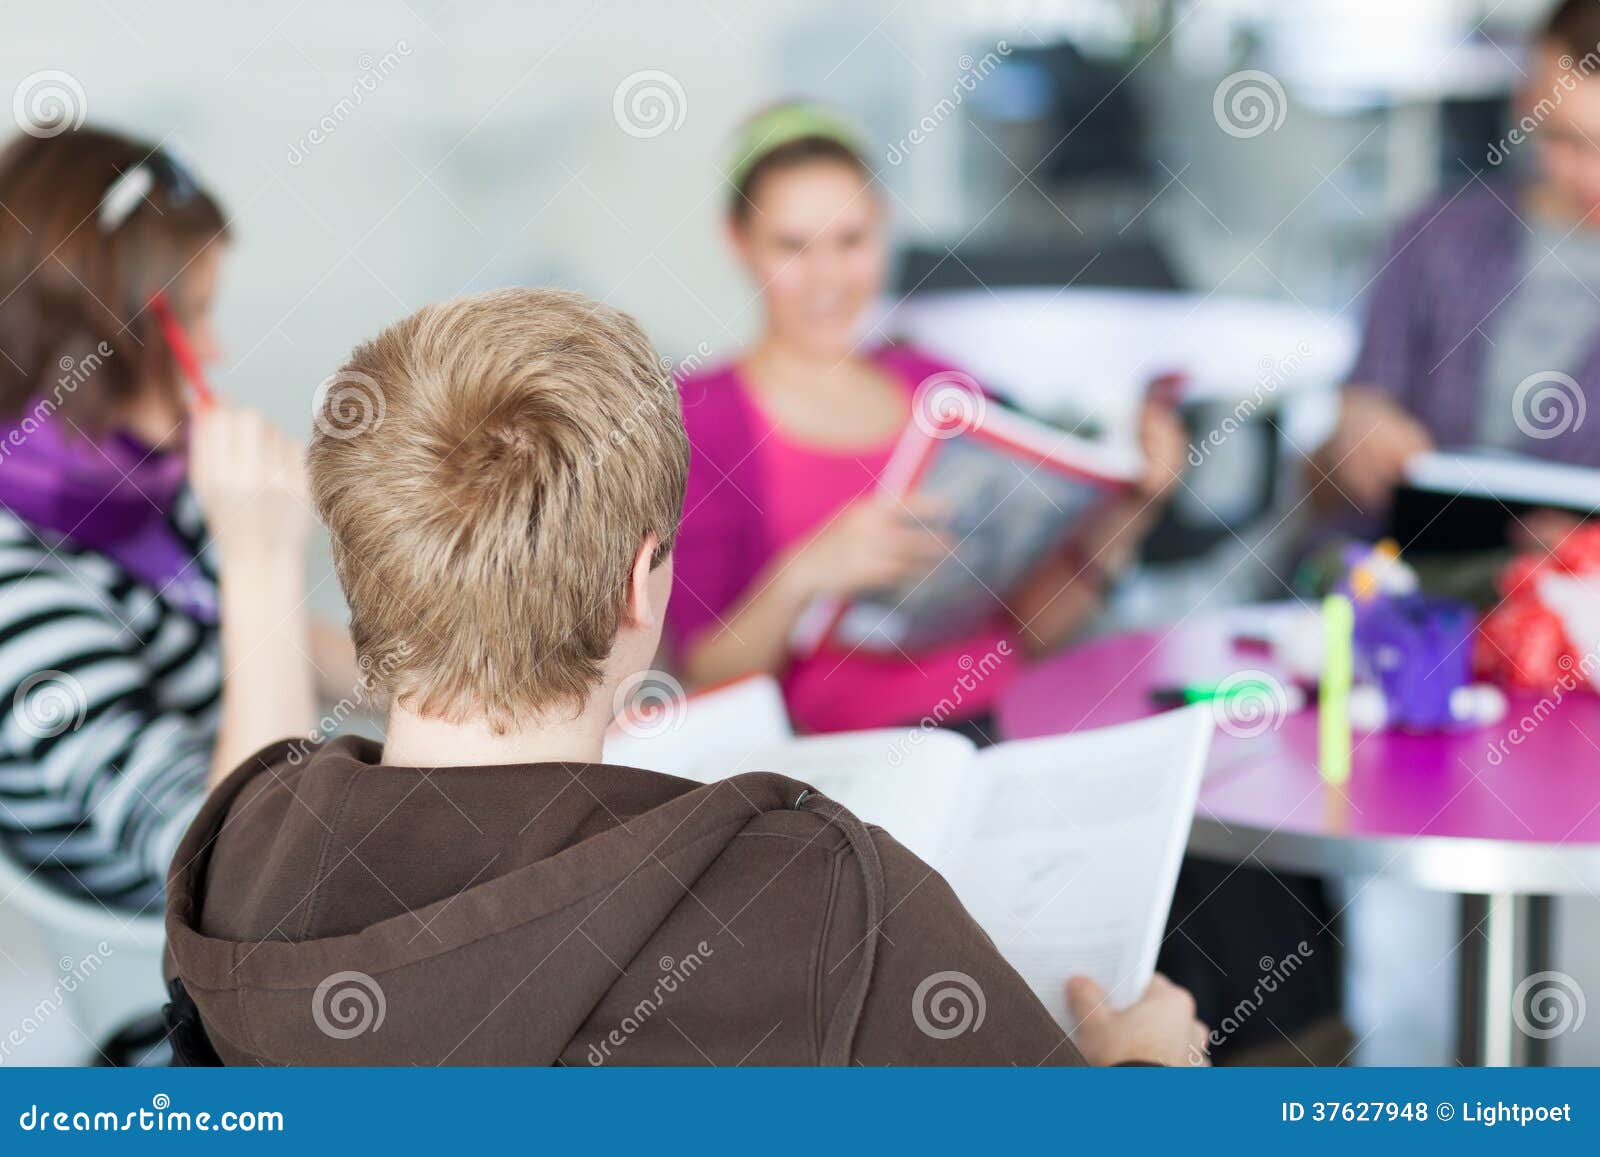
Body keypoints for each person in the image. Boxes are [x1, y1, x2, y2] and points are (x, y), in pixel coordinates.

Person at [163, 288, 1207, 1067]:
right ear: (638, 586)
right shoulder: (823, 893)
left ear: (361, 571)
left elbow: (260, 776)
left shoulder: (232, 849)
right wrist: (1146, 1068)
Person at [671, 103, 1186, 735]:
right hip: (836, 770)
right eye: (792, 246)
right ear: (737, 242)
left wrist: (1131, 513)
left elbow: (1030, 631)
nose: (827, 277)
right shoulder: (700, 417)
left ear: (883, 231)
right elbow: (701, 674)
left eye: (851, 241)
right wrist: (808, 572)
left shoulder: (939, 387)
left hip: (1005, 724)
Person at [0, 128, 349, 910]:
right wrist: (262, 557)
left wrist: (479, 690)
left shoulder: (132, 484)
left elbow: (277, 646)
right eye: (190, 317)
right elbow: (250, 888)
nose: (214, 349)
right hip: (194, 990)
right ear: (86, 344)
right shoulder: (17, 602)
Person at [1316, 0, 1600, 551]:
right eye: (1566, 140)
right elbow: (1323, 482)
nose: (1593, 176)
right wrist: (1355, 438)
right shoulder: (1435, 237)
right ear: (1528, 100)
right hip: (1397, 585)